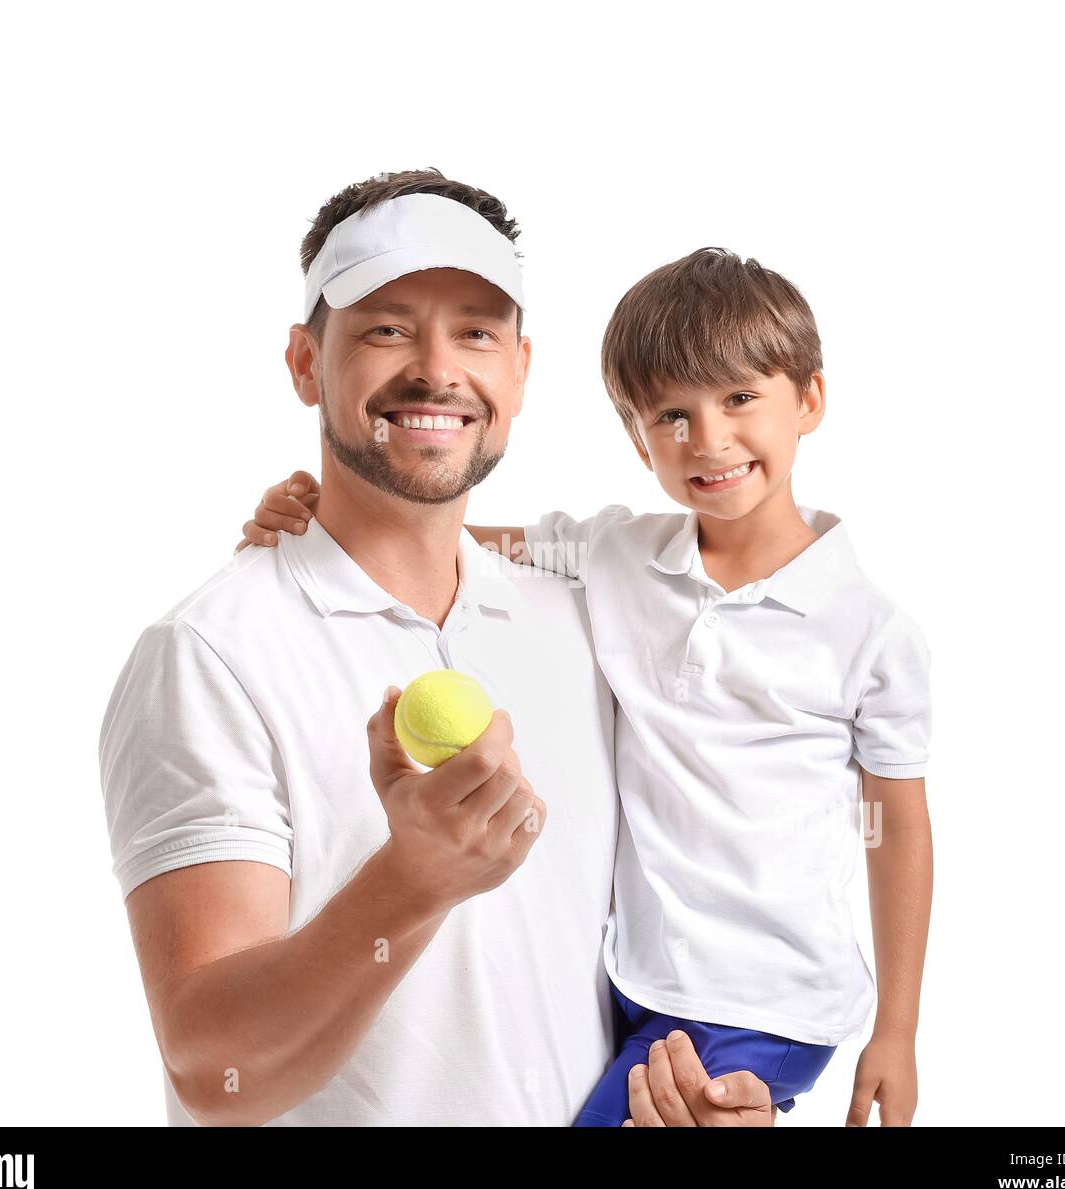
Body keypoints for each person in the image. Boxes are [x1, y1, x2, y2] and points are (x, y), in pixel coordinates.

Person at [100, 169, 773, 1127]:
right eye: (385, 327)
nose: (436, 368)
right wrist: (411, 881)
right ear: (303, 362)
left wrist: (699, 1098)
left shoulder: (583, 624)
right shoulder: (210, 654)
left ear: (520, 371)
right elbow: (217, 1076)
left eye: (476, 330)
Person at [242, 247, 934, 1127]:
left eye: (739, 400)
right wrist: (314, 517)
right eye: (671, 416)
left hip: (761, 1000)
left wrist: (899, 1029)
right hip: (633, 974)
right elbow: (464, 538)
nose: (708, 439)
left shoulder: (870, 631)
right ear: (637, 441)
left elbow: (898, 826)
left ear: (810, 400)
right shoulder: (619, 554)